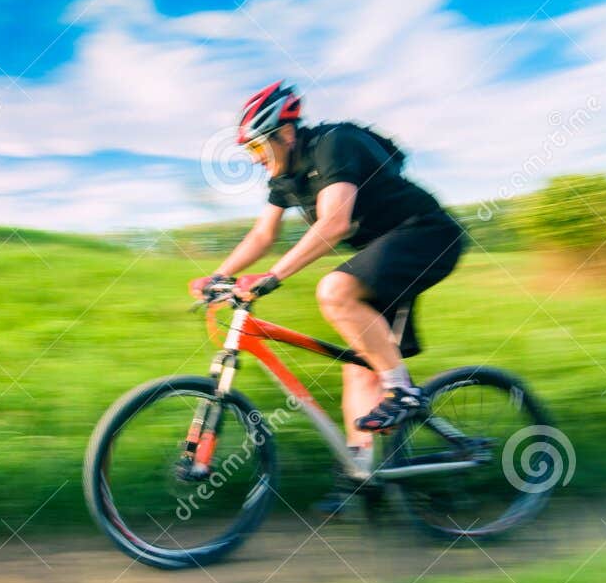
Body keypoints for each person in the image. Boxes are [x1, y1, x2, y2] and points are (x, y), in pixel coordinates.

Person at [189, 81, 464, 508]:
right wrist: (218, 276)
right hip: (383, 251)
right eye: (251, 155)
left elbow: (336, 223)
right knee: (358, 366)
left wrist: (272, 277)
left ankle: (403, 392)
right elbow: (264, 233)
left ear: (286, 134)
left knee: (334, 290)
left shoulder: (335, 144)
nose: (257, 161)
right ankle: (363, 476)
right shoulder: (286, 178)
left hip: (425, 236)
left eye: (260, 150)